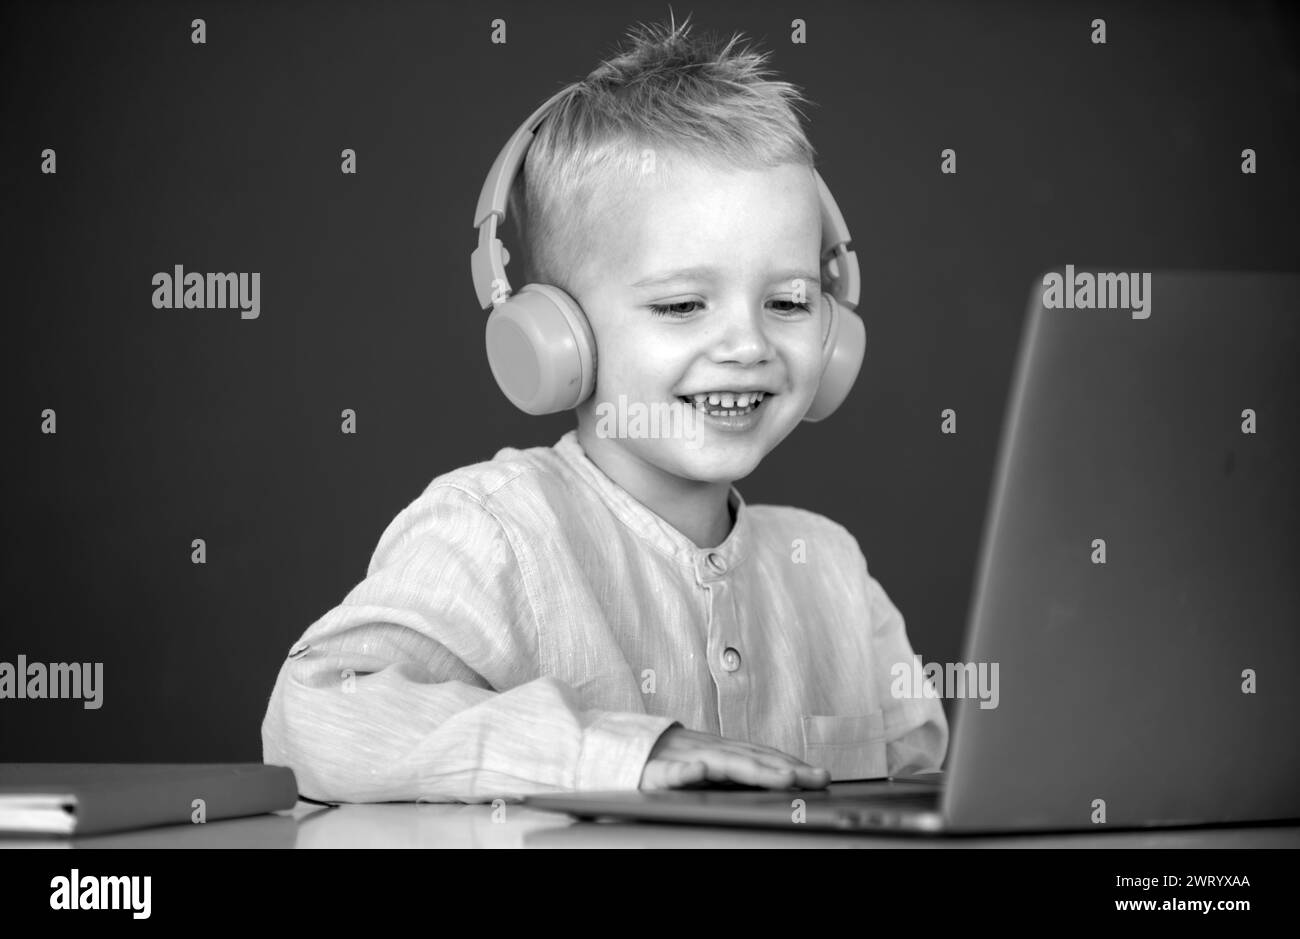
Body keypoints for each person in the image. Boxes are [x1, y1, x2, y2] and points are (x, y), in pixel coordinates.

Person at [261, 15, 947, 803]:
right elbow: (312, 716)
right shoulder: (494, 533)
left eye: (789, 300)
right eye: (685, 304)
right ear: (557, 335)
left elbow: (926, 788)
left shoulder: (833, 571)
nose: (749, 344)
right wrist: (619, 754)